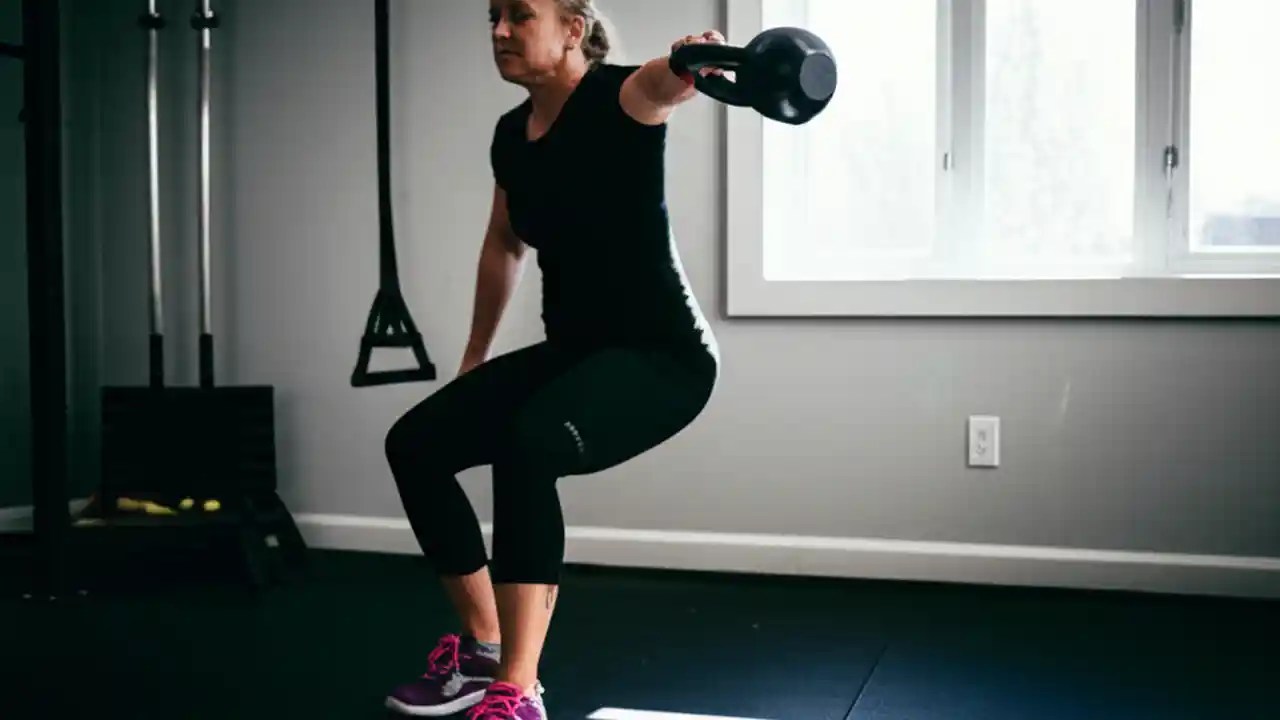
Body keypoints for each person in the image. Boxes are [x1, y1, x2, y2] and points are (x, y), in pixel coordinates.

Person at [384, 1, 723, 718]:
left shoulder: (619, 96)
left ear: (574, 28)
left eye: (520, 15)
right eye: (493, 17)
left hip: (663, 358)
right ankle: (481, 648)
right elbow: (503, 244)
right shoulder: (512, 135)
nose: (500, 31)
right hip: (575, 354)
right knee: (415, 443)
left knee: (528, 444)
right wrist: (474, 357)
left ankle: (519, 688)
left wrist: (694, 56)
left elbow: (666, 81)